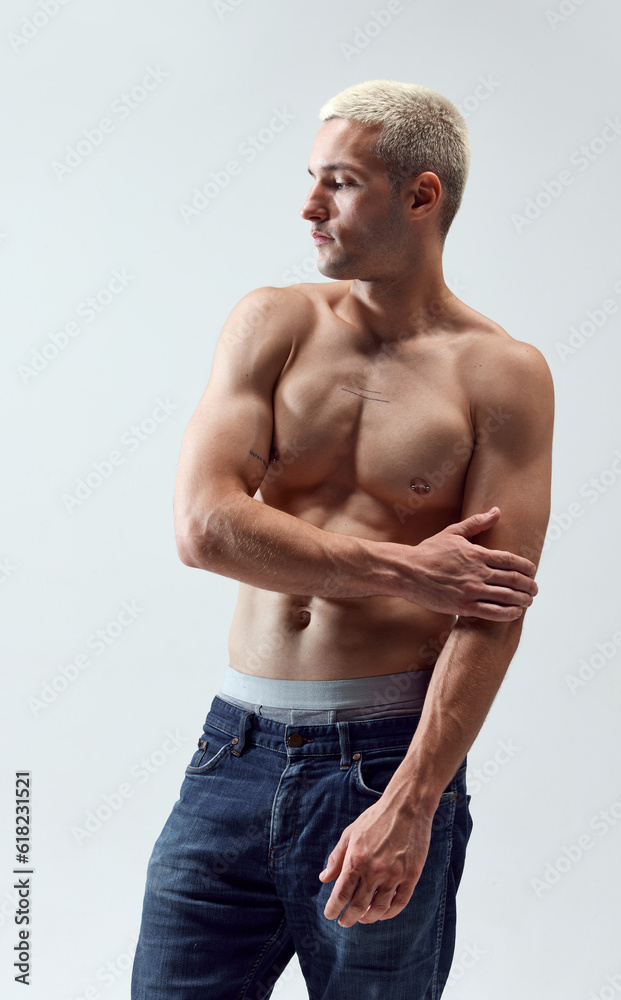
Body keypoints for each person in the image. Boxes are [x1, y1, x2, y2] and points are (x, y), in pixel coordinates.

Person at [131, 79, 553, 1000]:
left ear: (421, 195)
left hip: (388, 757)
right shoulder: (271, 322)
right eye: (310, 178)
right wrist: (408, 567)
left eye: (341, 181)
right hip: (230, 756)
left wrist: (412, 801)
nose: (308, 205)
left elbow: (490, 610)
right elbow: (204, 528)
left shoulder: (502, 375)